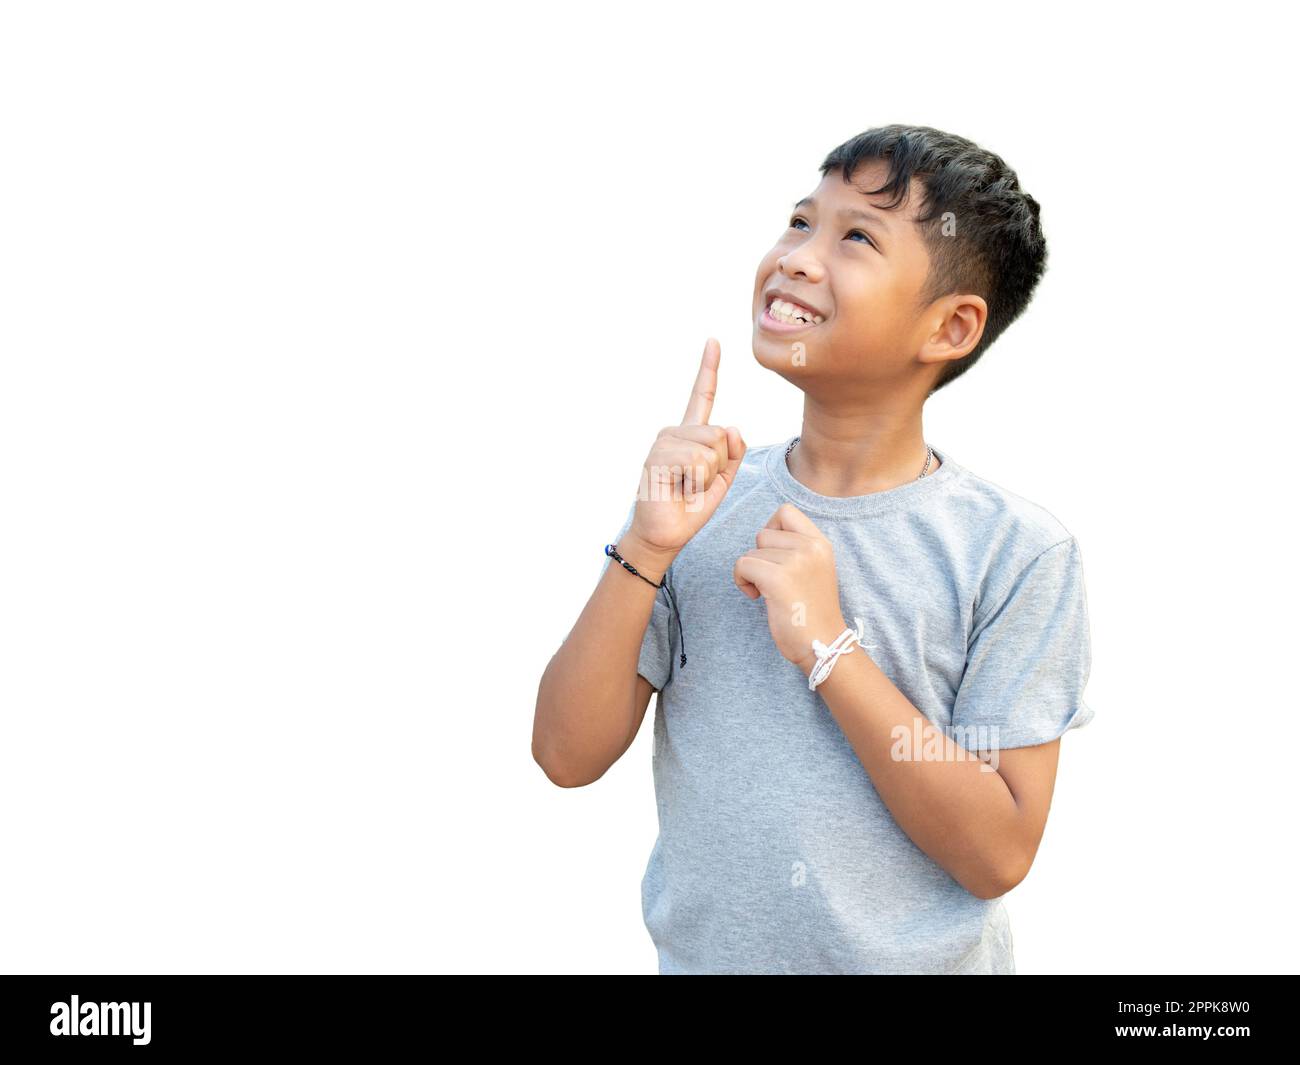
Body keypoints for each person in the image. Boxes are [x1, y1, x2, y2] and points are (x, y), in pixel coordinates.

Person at [533, 124, 1094, 975]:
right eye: (800, 221)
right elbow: (565, 755)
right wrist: (646, 544)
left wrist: (829, 647)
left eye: (856, 237)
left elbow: (999, 850)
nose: (797, 256)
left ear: (951, 327)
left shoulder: (1015, 553)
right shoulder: (700, 504)